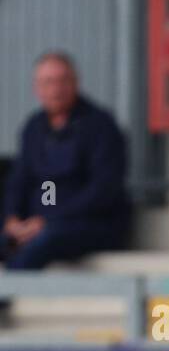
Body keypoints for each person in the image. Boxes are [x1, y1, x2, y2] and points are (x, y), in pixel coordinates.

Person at [1, 51, 130, 271]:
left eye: (63, 81)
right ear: (37, 88)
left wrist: (47, 221)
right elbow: (19, 180)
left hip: (90, 224)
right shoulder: (33, 128)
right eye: (48, 82)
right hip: (37, 225)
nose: (56, 89)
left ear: (75, 83)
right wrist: (12, 219)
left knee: (42, 242)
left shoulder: (100, 125)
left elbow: (103, 190)